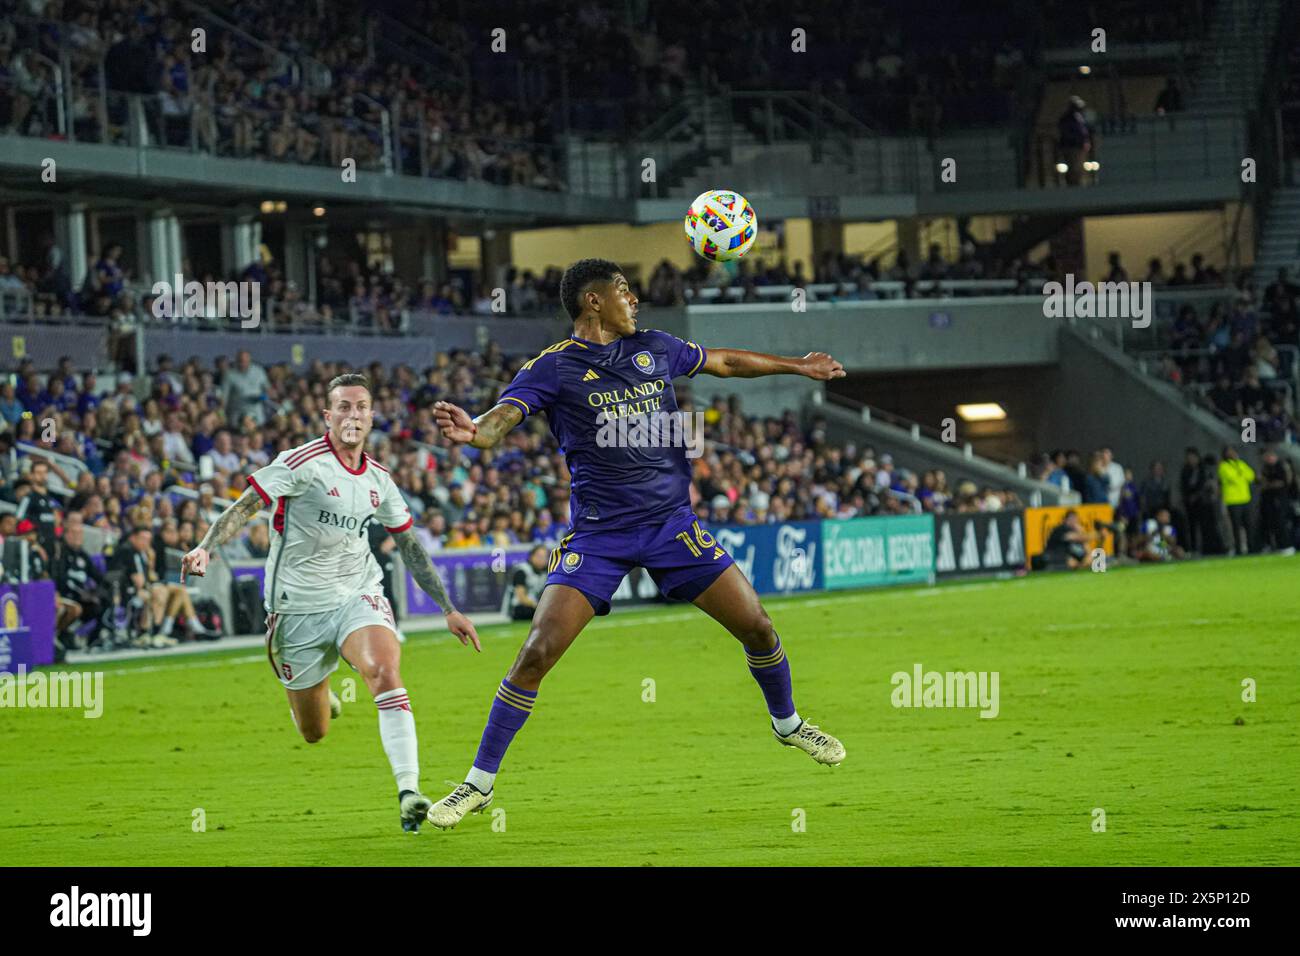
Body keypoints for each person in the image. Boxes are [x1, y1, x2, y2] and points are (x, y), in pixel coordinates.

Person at [427, 257, 847, 830]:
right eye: (624, 290)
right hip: (599, 535)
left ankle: (789, 724)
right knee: (535, 654)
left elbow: (724, 361)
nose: (635, 300)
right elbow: (502, 419)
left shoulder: (655, 346)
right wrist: (474, 431)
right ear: (593, 301)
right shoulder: (553, 368)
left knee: (759, 628)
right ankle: (476, 785)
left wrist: (798, 366)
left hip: (673, 526)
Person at [180, 372, 479, 834]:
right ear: (328, 415)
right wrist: (205, 546)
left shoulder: (380, 479)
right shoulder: (301, 463)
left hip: (357, 593)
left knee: (384, 671)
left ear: (372, 416)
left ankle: (409, 791)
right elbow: (244, 506)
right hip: (295, 609)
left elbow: (410, 546)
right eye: (343, 407)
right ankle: (318, 696)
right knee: (314, 732)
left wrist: (447, 607)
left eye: (361, 407)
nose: (352, 415)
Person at [1218, 446, 1255, 556]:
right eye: (1229, 452)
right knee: (1236, 526)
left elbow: (1251, 475)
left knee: (1248, 525)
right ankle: (1238, 549)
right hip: (1233, 500)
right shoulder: (1223, 466)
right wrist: (1241, 474)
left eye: (1233, 451)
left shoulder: (1240, 463)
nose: (1232, 454)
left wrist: (1240, 470)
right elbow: (1232, 478)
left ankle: (1252, 547)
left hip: (1245, 498)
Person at [1039, 510, 1104, 570]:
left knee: (1089, 558)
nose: (1074, 521)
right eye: (1072, 519)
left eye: (1075, 519)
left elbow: (1085, 545)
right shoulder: (1060, 529)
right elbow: (1079, 538)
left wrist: (1088, 557)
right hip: (1053, 555)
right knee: (1071, 562)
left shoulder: (1075, 531)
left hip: (1067, 554)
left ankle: (1080, 567)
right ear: (1065, 520)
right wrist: (1098, 534)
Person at [503, 545, 549, 621]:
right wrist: (538, 606)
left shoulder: (546, 572)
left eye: (545, 557)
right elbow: (521, 597)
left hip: (535, 605)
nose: (542, 559)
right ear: (531, 557)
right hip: (517, 607)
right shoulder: (522, 571)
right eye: (539, 556)